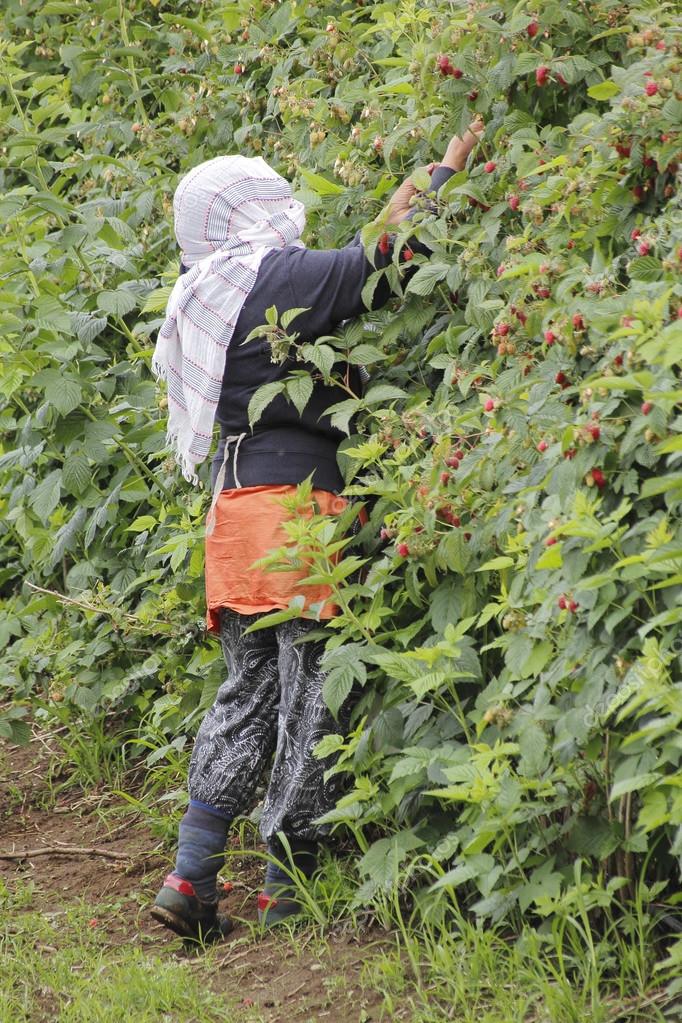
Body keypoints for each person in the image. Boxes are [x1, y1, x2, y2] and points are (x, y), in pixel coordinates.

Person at [150, 123, 483, 942]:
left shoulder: (202, 294)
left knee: (243, 694)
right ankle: (285, 886)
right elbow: (382, 258)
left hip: (232, 515)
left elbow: (361, 251)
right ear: (251, 206)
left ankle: (191, 876)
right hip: (298, 515)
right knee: (309, 701)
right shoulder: (274, 276)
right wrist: (444, 171)